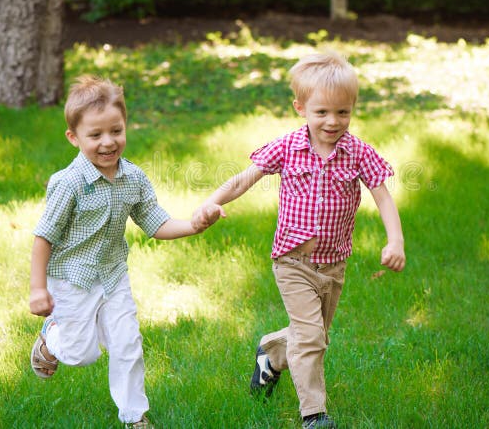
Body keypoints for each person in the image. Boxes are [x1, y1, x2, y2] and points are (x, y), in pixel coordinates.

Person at [195, 52, 405, 429]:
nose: (333, 121)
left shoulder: (357, 153)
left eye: (343, 112)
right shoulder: (288, 147)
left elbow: (383, 196)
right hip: (292, 262)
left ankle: (272, 354)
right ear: (301, 107)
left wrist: (395, 241)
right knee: (312, 339)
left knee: (312, 335)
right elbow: (244, 179)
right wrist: (211, 202)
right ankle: (315, 415)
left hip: (333, 265)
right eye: (322, 112)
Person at [29, 75, 220, 428]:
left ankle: (134, 416)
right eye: (95, 135)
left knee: (128, 345)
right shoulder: (68, 184)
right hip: (72, 280)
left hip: (114, 276)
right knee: (80, 354)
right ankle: (50, 338)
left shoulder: (133, 178)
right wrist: (38, 289)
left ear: (125, 126)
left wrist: (193, 225)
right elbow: (44, 237)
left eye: (116, 131)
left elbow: (155, 222)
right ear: (74, 138)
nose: (108, 142)